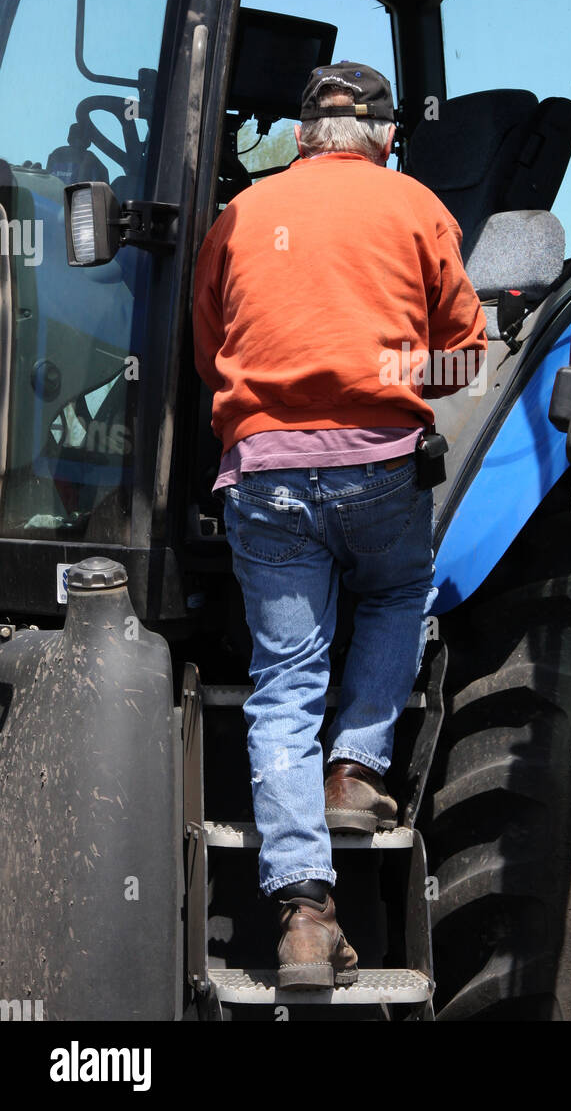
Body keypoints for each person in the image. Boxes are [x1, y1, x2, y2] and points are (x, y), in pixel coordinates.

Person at [193, 61, 487, 988]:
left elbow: (213, 353)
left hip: (265, 475)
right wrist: (389, 378)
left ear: (301, 136)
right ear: (386, 136)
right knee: (401, 587)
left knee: (284, 676)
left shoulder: (237, 219)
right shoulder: (415, 207)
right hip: (378, 469)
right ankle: (358, 770)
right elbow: (465, 360)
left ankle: (305, 920)